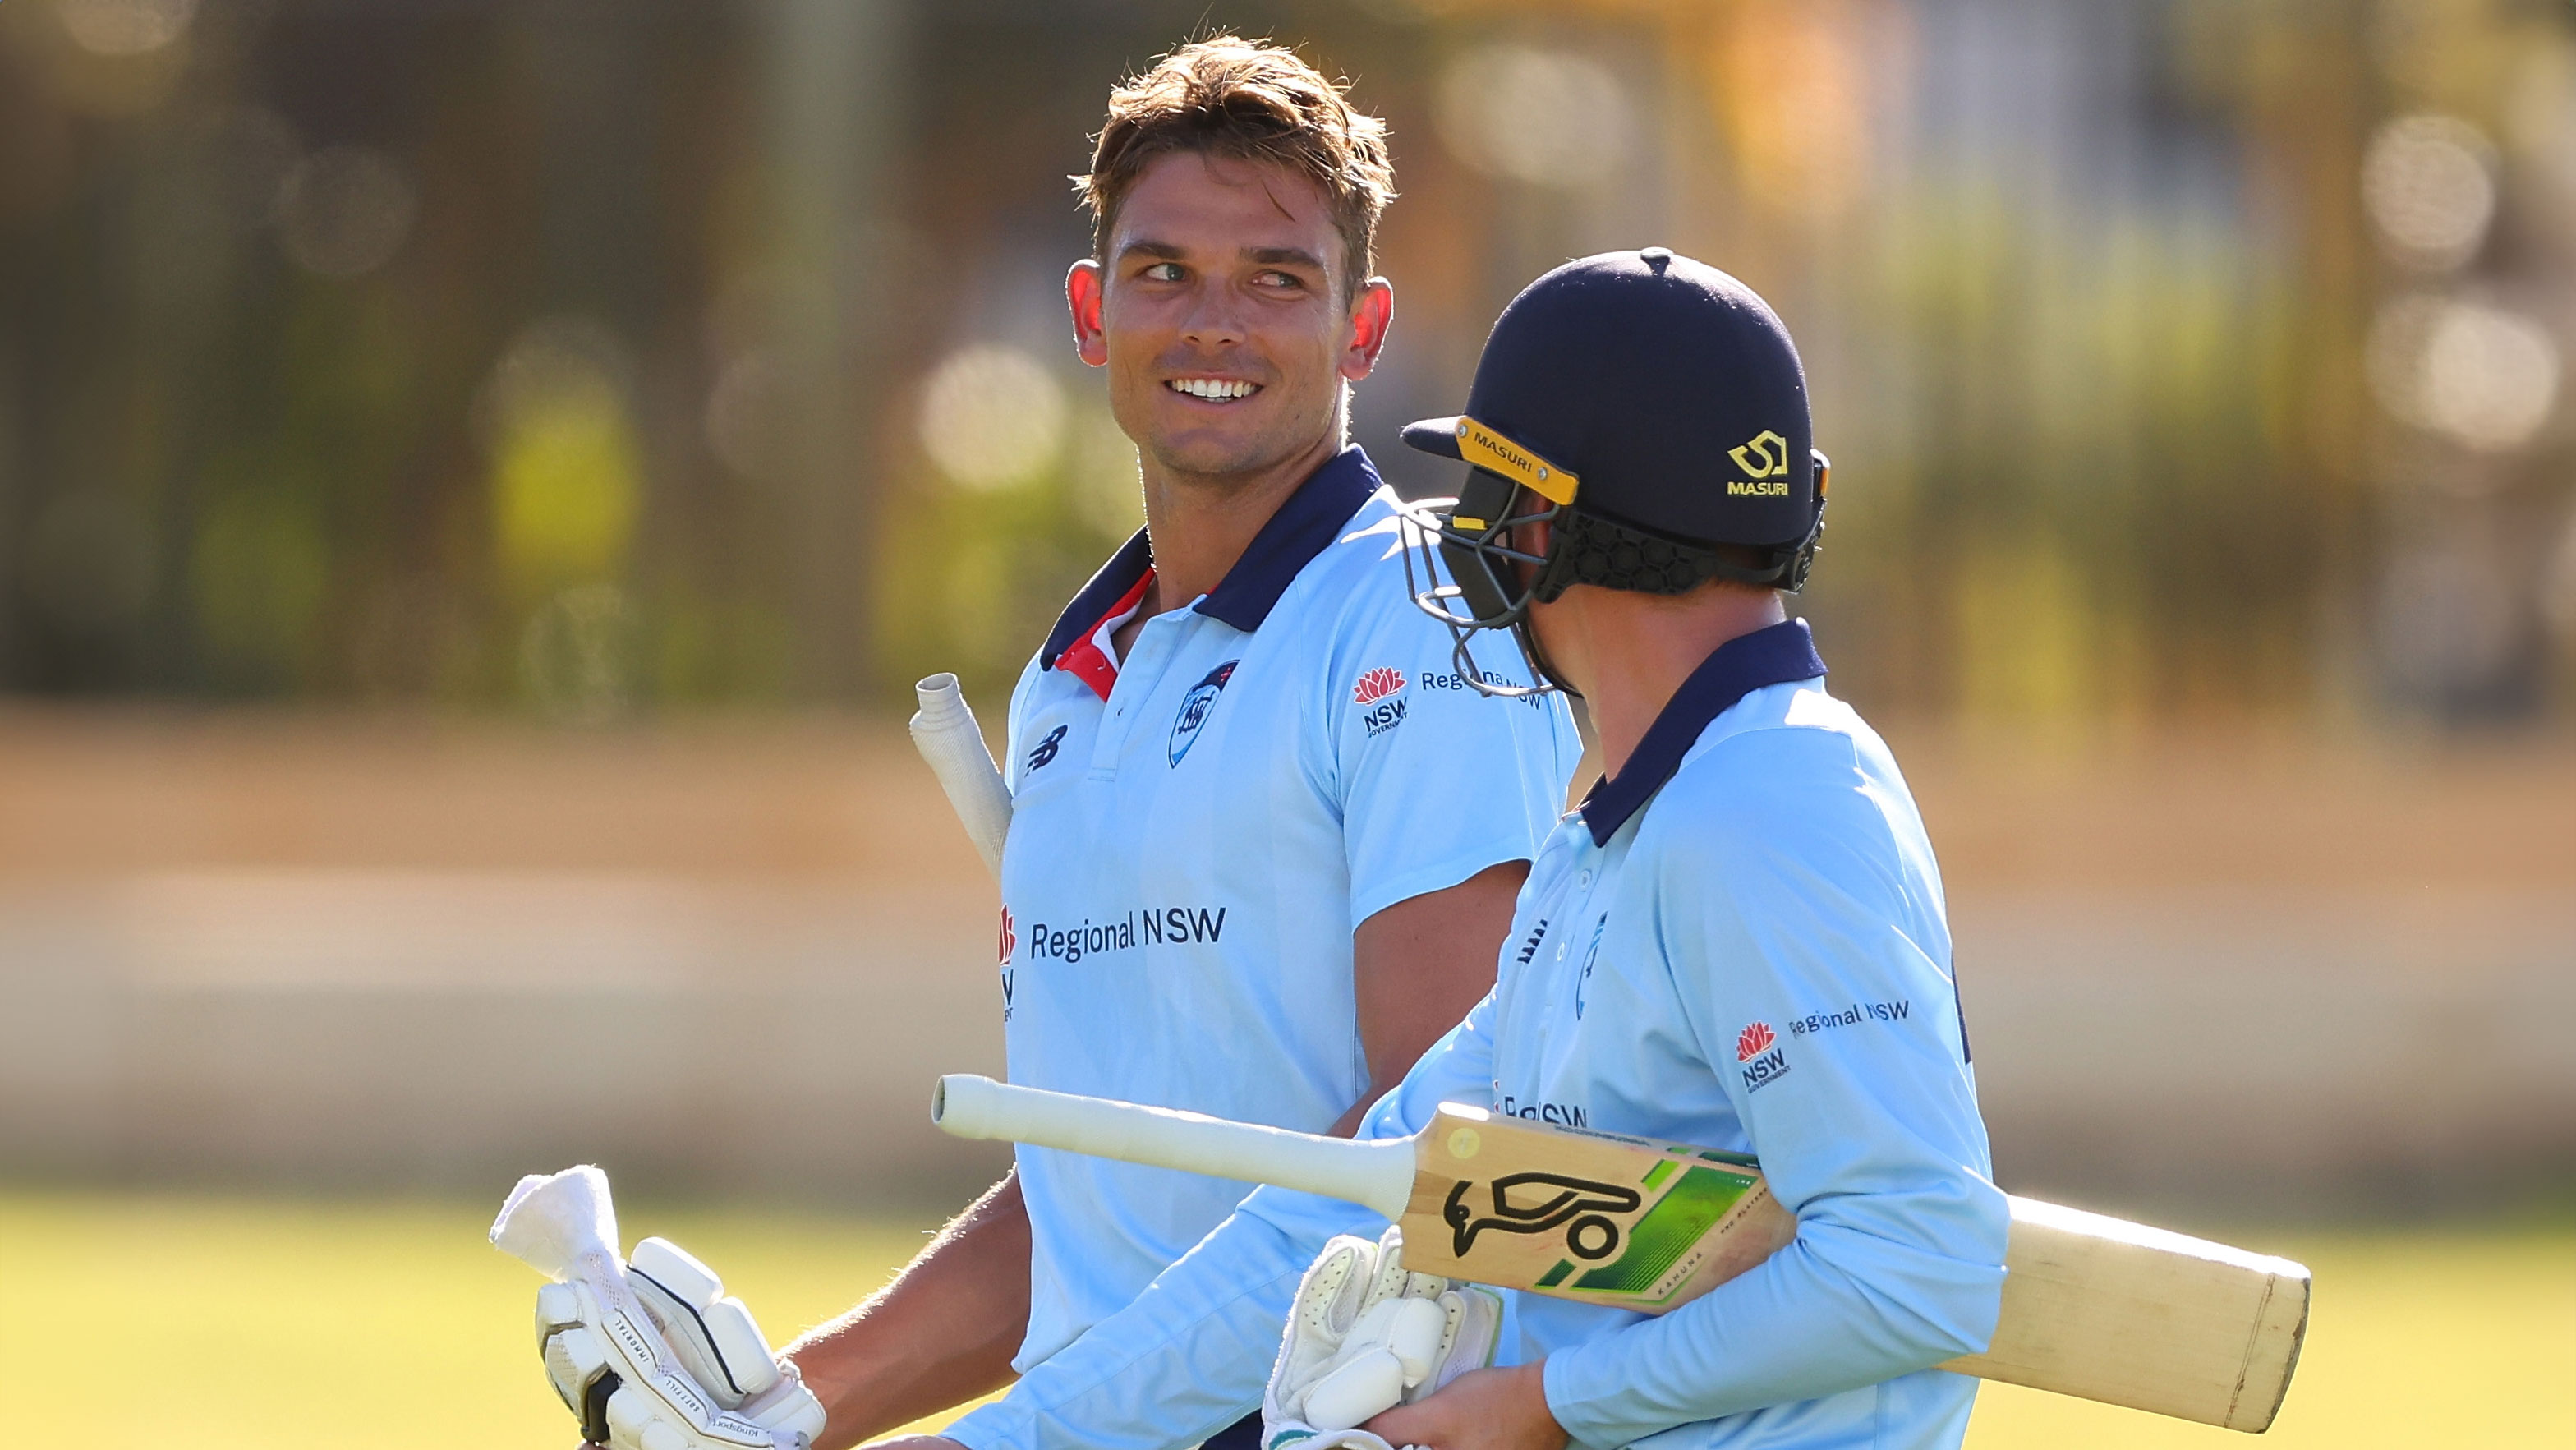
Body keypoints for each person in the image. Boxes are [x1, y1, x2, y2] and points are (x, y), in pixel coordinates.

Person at [881, 248, 2008, 1450]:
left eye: (1485, 496)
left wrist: (1538, 1404)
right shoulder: (1610, 846)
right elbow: (1356, 1205)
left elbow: (1919, 1262)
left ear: (1542, 524)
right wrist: (1004, 1441)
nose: (1465, 536)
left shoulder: (1774, 805)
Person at [776, 38, 1580, 1450]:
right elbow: (1098, 1193)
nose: (1216, 323)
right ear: (1092, 311)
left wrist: (1050, 1427)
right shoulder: (1063, 685)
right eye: (1165, 274)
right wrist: (784, 1402)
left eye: (1278, 278)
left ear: (1365, 329)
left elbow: (1431, 1164)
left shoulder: (1419, 623)